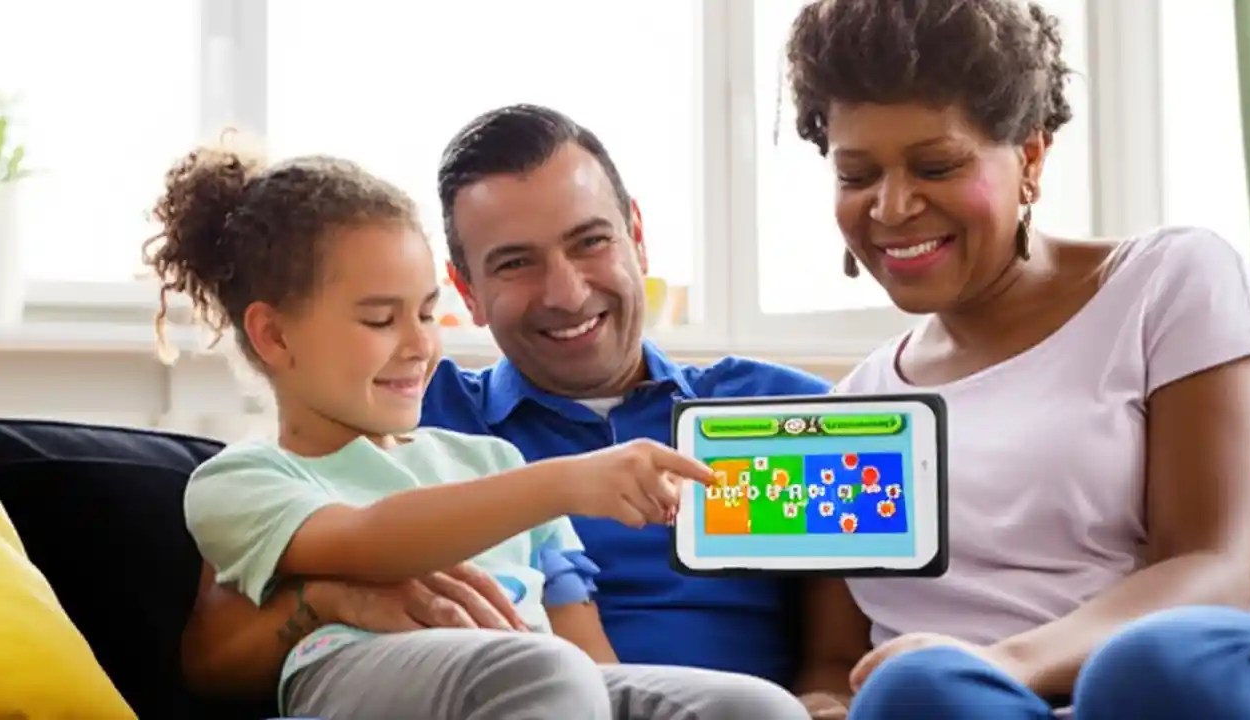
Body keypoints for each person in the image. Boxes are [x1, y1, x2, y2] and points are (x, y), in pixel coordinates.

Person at [142, 144, 810, 719]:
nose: (420, 346)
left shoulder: (492, 459)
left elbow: (589, 657)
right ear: (275, 334)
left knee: (752, 706)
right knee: (542, 673)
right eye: (381, 321)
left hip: (543, 679)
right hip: (363, 674)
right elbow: (368, 541)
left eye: (428, 314)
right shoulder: (247, 478)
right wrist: (565, 482)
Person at [781, 1, 1250, 718]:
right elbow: (834, 661)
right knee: (914, 689)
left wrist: (1004, 662)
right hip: (965, 705)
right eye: (857, 176)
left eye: (937, 165)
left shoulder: (1168, 283)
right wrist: (824, 703)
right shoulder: (852, 412)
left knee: (1148, 662)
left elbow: (1215, 566)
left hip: (1178, 686)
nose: (890, 208)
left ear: (1031, 159)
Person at [419, 103, 842, 705]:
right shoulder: (417, 422)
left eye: (590, 242)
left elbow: (842, 650)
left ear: (636, 239)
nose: (566, 293)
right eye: (516, 263)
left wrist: (824, 699)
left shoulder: (779, 409)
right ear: (467, 291)